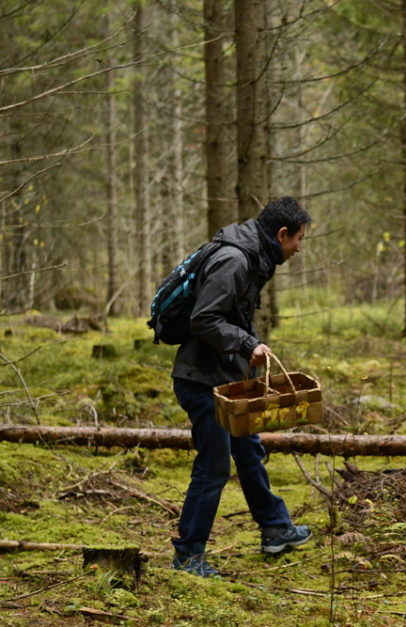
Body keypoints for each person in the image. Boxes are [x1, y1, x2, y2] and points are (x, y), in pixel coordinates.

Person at [170, 196, 313, 577]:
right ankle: (188, 556)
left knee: (249, 451)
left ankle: (275, 528)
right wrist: (248, 344)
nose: (300, 247)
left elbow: (233, 317)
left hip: (229, 379)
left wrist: (248, 351)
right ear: (281, 234)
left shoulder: (255, 257)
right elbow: (204, 319)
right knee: (214, 467)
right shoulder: (235, 260)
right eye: (299, 238)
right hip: (203, 382)